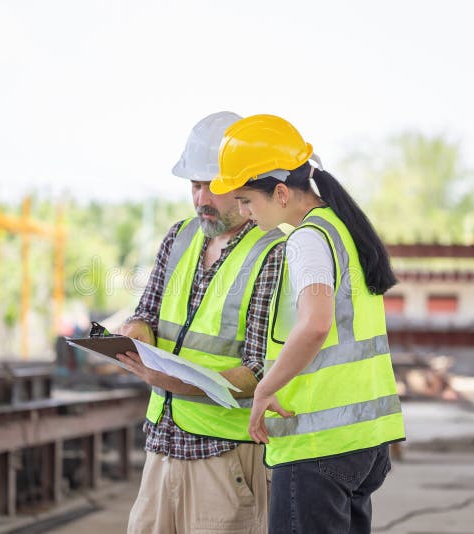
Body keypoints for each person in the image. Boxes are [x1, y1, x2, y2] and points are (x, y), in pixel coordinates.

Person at [210, 114, 406, 534]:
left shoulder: (306, 240)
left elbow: (316, 324)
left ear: (280, 192)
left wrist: (264, 387)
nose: (244, 211)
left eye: (248, 200)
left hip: (320, 443)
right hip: (363, 440)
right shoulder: (342, 229)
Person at [115, 111, 285, 533]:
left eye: (216, 187)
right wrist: (135, 334)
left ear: (246, 185)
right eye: (195, 185)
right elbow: (147, 312)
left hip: (225, 458)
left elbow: (261, 371)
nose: (202, 199)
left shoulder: (274, 252)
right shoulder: (180, 236)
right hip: (162, 445)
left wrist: (173, 380)